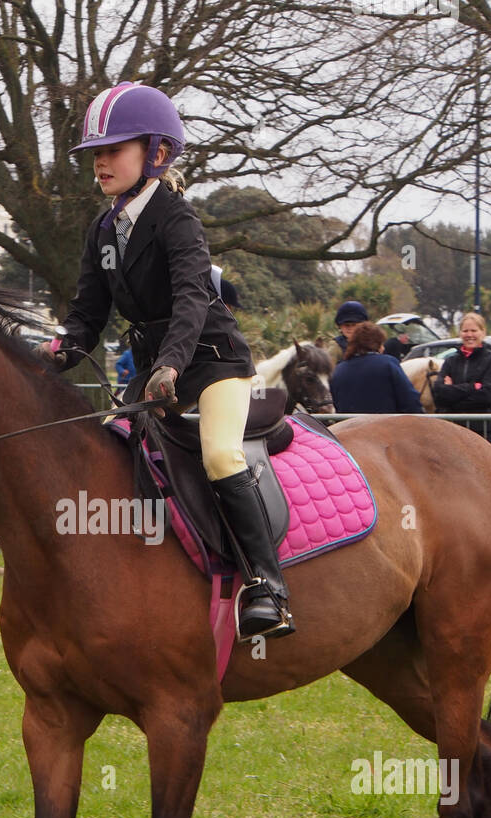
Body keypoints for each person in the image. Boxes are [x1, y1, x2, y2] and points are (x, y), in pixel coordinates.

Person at [50, 81, 293, 640]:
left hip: (211, 362)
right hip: (158, 370)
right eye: (95, 154)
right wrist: (52, 351)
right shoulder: (103, 229)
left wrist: (171, 366)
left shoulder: (177, 218)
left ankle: (268, 588)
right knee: (109, 452)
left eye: (113, 150)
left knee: (220, 455)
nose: (100, 163)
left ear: (155, 153)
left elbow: (190, 299)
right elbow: (88, 316)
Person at [431, 312, 491, 447]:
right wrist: (473, 387)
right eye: (465, 331)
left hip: (483, 430)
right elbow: (439, 394)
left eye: (474, 330)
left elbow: (489, 395)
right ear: (460, 333)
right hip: (453, 429)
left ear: (483, 332)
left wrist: (453, 394)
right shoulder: (450, 361)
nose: (469, 335)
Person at [328, 322, 425, 414]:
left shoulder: (339, 370)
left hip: (347, 428)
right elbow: (409, 399)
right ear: (376, 344)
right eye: (382, 344)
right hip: (386, 427)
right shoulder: (388, 364)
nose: (384, 348)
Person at [325, 300, 368, 366]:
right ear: (340, 326)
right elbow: (329, 370)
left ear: (363, 325)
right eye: (346, 325)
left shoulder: (370, 343)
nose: (350, 328)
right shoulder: (336, 346)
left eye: (354, 325)